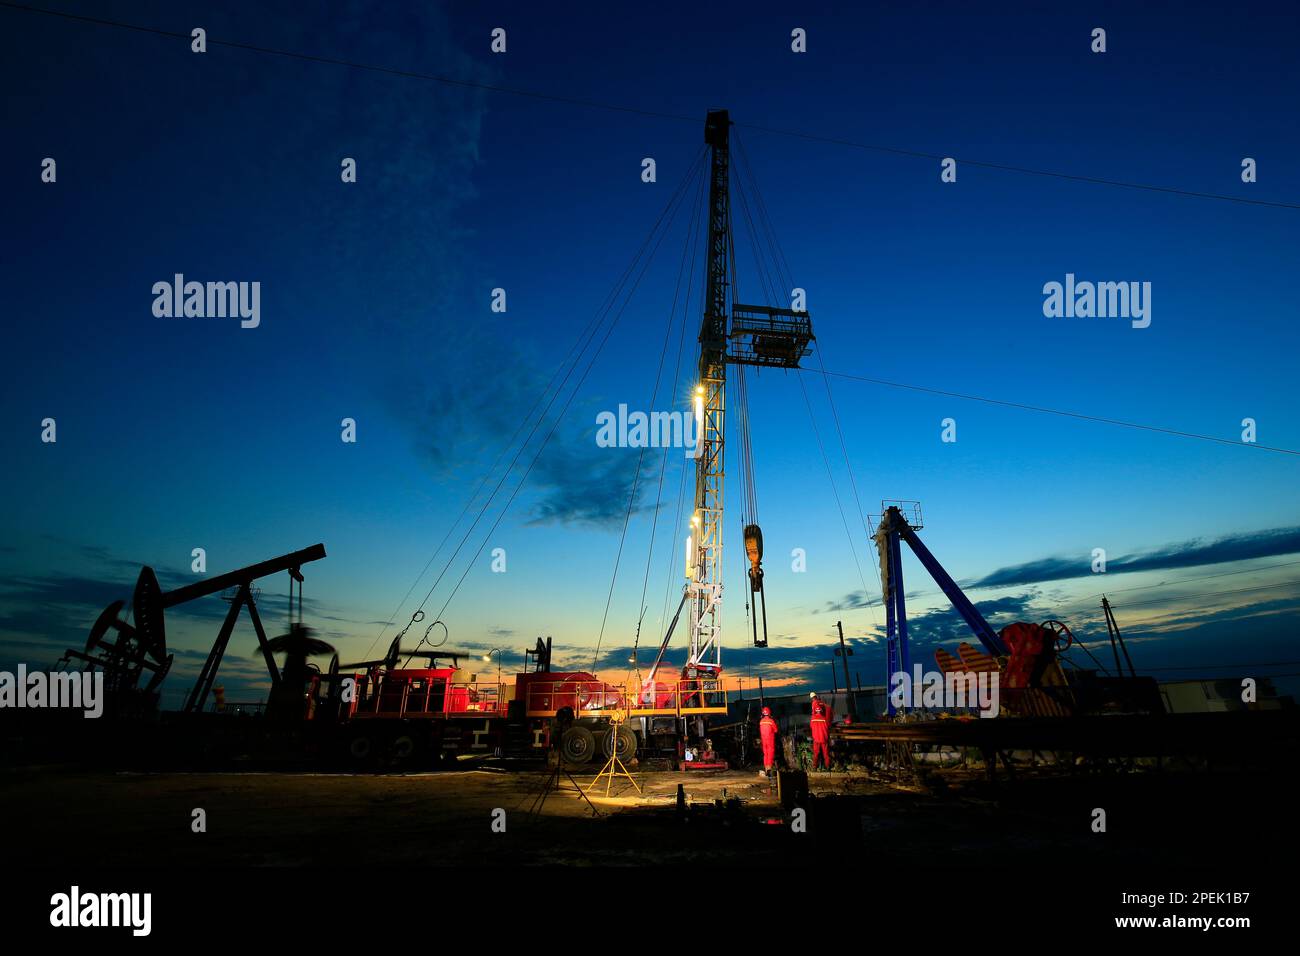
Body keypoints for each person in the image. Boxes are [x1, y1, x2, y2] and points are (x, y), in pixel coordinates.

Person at [809, 691, 832, 771]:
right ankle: (828, 767)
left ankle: (815, 767)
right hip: (823, 738)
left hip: (816, 739)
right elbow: (827, 727)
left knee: (816, 753)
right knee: (826, 753)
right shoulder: (824, 719)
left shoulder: (813, 718)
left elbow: (811, 727)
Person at [758, 706, 779, 776]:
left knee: (765, 754)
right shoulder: (771, 721)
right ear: (769, 713)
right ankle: (769, 771)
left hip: (764, 741)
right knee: (770, 753)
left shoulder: (761, 722)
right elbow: (776, 730)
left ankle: (766, 769)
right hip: (770, 740)